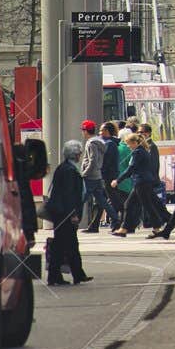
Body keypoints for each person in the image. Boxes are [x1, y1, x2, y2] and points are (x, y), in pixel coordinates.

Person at [45, 140, 92, 286]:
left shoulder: (63, 168)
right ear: (76, 154)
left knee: (66, 244)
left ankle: (73, 274)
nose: (80, 155)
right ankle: (63, 275)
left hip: (61, 213)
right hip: (65, 214)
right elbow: (70, 194)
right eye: (79, 153)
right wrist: (73, 214)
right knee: (65, 245)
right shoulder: (70, 171)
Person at [113, 126, 167, 235]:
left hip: (141, 182)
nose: (128, 146)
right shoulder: (142, 151)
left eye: (129, 144)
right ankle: (124, 229)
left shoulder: (138, 152)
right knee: (132, 204)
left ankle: (156, 227)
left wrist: (118, 180)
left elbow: (131, 169)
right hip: (142, 182)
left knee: (145, 205)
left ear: (134, 143)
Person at [77, 120, 118, 233]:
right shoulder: (100, 142)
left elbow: (92, 160)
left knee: (79, 200)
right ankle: (116, 219)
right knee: (102, 201)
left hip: (90, 176)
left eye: (83, 130)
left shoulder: (91, 143)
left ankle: (71, 221)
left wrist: (85, 173)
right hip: (98, 175)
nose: (82, 133)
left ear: (86, 131)